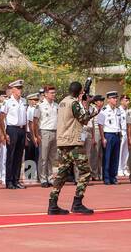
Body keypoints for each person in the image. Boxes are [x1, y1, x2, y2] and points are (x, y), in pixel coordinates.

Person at [47, 81, 100, 215]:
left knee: (61, 174)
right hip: (73, 143)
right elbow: (84, 119)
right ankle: (77, 203)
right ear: (79, 92)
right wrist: (92, 108)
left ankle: (52, 204)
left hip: (63, 143)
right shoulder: (74, 103)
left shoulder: (62, 102)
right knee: (86, 172)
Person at [0, 79, 28, 189]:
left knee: (19, 156)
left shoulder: (23, 101)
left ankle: (16, 180)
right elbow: (1, 118)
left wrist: (25, 134)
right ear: (13, 90)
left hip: (21, 129)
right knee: (10, 156)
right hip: (12, 129)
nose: (20, 90)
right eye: (18, 88)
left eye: (21, 88)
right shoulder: (7, 102)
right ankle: (9, 181)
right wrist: (4, 133)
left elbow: (25, 118)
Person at [97, 91, 124, 185]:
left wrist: (120, 134)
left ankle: (113, 177)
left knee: (115, 158)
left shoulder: (118, 110)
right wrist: (103, 138)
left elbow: (119, 123)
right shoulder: (104, 110)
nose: (115, 100)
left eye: (116, 98)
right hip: (108, 135)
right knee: (107, 157)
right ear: (108, 99)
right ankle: (107, 178)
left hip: (116, 135)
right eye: (113, 98)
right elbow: (100, 125)